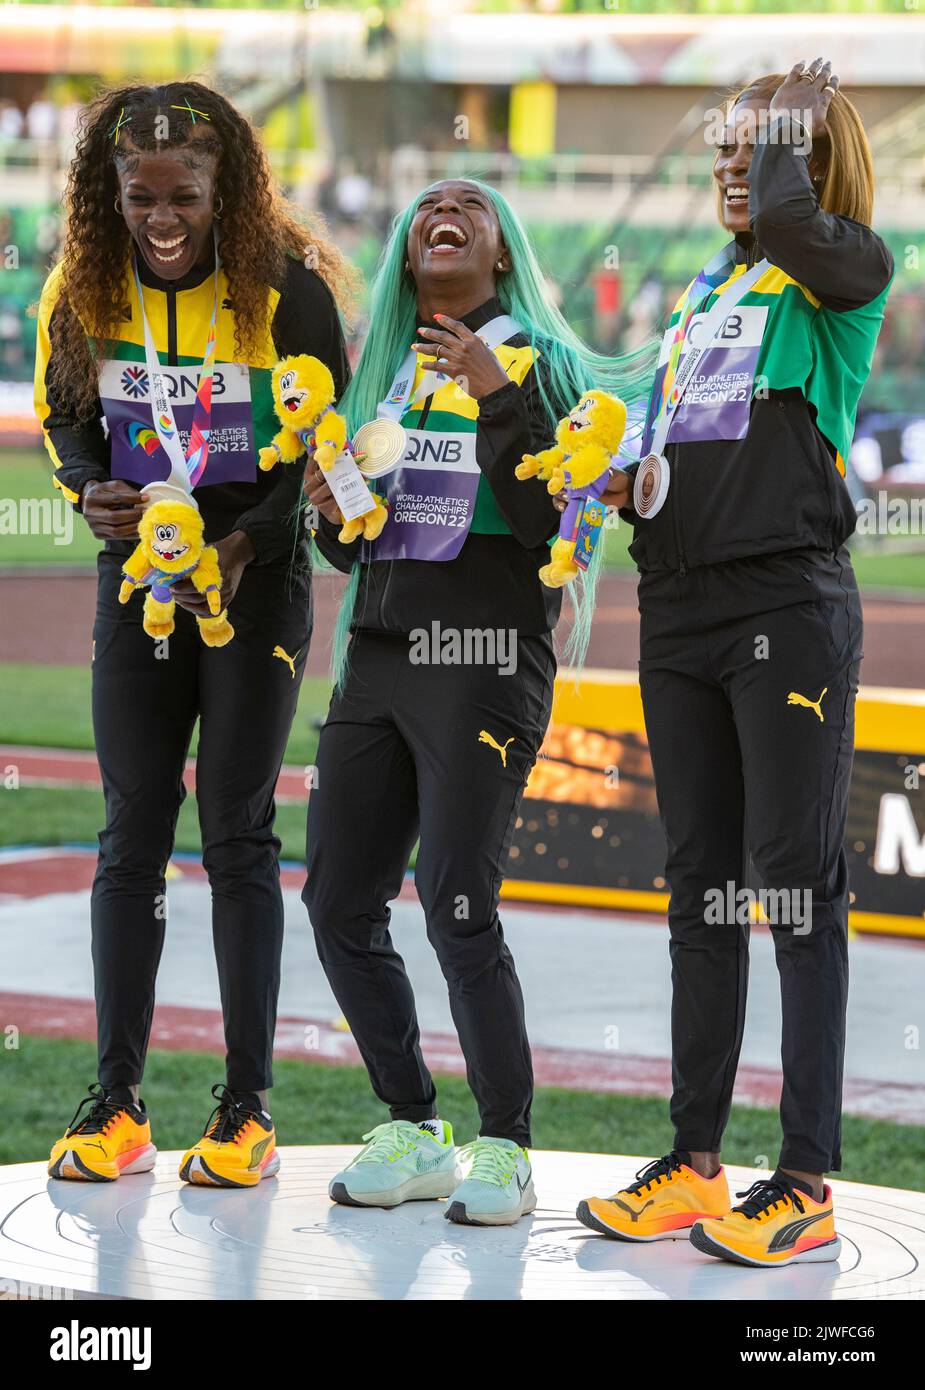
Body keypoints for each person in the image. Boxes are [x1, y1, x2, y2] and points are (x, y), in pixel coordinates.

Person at [577, 61, 893, 1266]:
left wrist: (781, 141)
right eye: (722, 138)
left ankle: (803, 1177)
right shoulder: (701, 298)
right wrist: (625, 477)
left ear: (808, 154)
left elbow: (781, 217)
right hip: (678, 610)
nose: (728, 159)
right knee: (699, 884)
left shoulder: (845, 269)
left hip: (784, 606)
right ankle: (695, 1163)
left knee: (793, 885)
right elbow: (675, 449)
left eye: (752, 140)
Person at [302, 179, 648, 1226]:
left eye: (471, 206)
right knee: (335, 901)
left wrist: (500, 390)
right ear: (410, 259)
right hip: (376, 660)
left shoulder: (546, 368)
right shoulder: (388, 379)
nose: (443, 213)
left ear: (501, 254)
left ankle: (507, 1142)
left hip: (486, 661)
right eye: (426, 210)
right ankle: (412, 1122)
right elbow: (356, 540)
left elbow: (559, 520)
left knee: (456, 901)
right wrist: (333, 514)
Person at [35, 81, 356, 1188]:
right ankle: (117, 1102)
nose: (161, 218)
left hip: (253, 581)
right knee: (131, 831)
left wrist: (252, 540)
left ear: (228, 189)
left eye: (184, 196)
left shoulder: (289, 292)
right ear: (107, 192)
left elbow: (320, 444)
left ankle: (246, 1109)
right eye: (138, 196)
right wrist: (89, 489)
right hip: (138, 577)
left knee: (236, 831)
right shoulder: (82, 287)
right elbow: (64, 412)